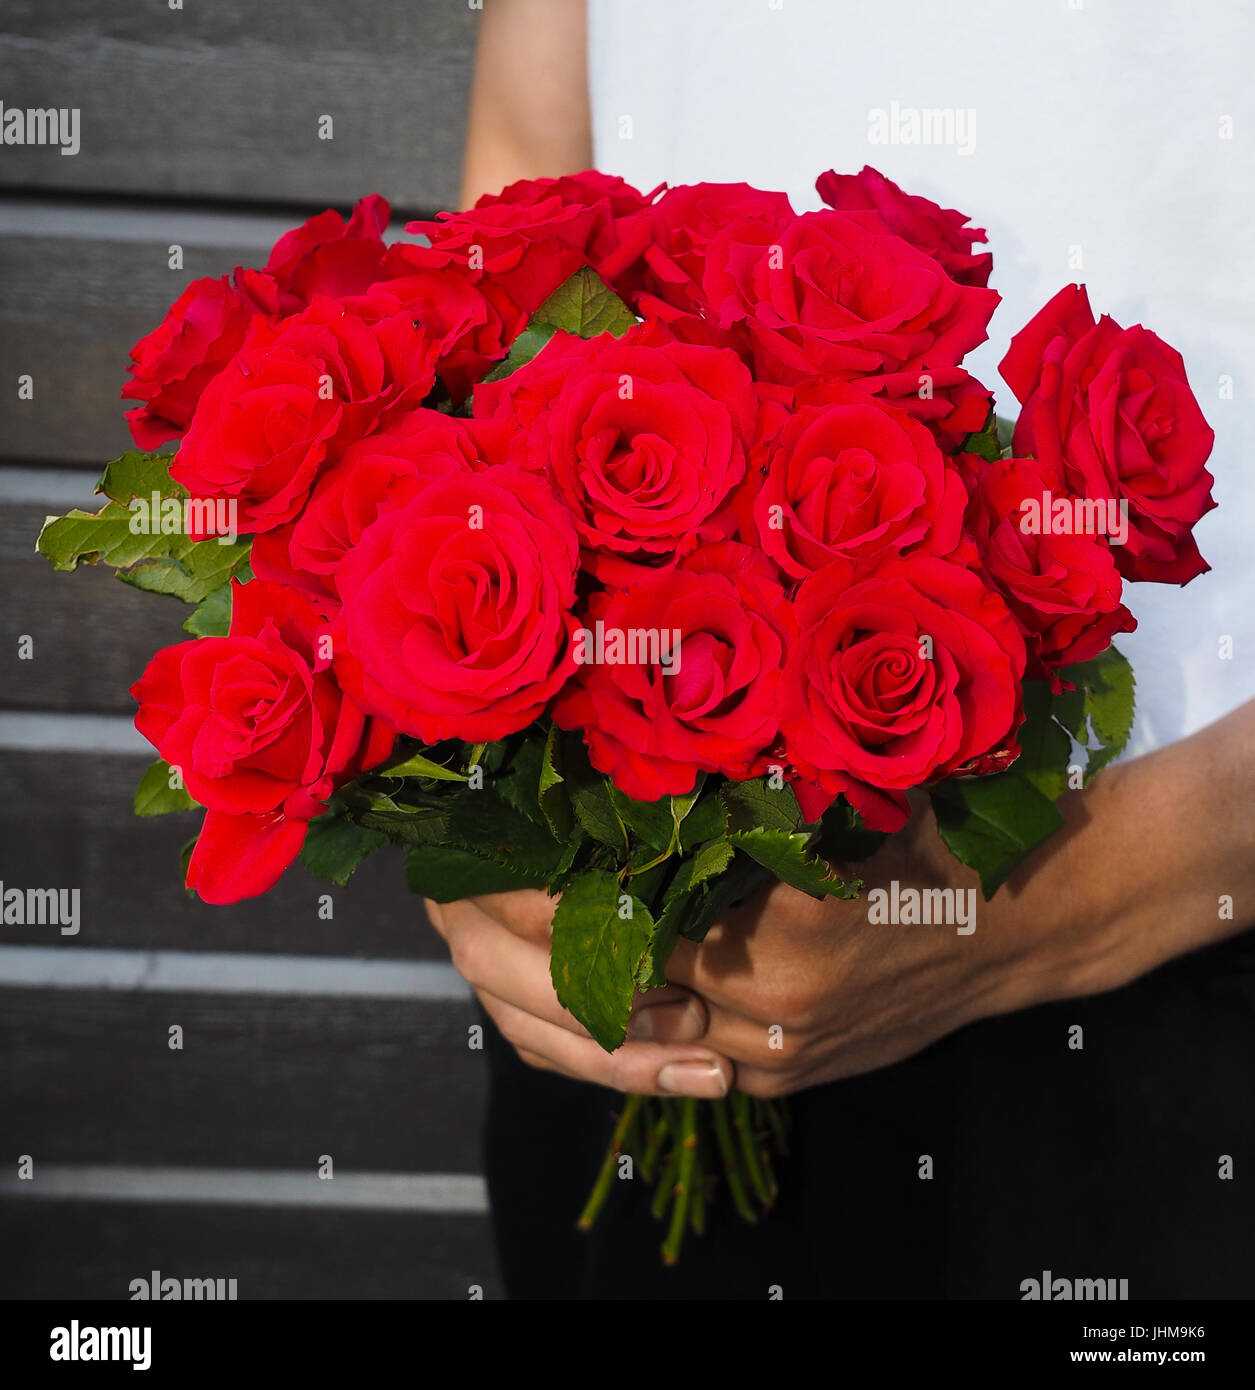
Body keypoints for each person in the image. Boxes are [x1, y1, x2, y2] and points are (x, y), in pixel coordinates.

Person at [428, 0, 1255, 1298]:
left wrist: (1028, 916)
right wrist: (467, 754)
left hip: (1190, 974)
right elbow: (533, 173)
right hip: (664, 944)